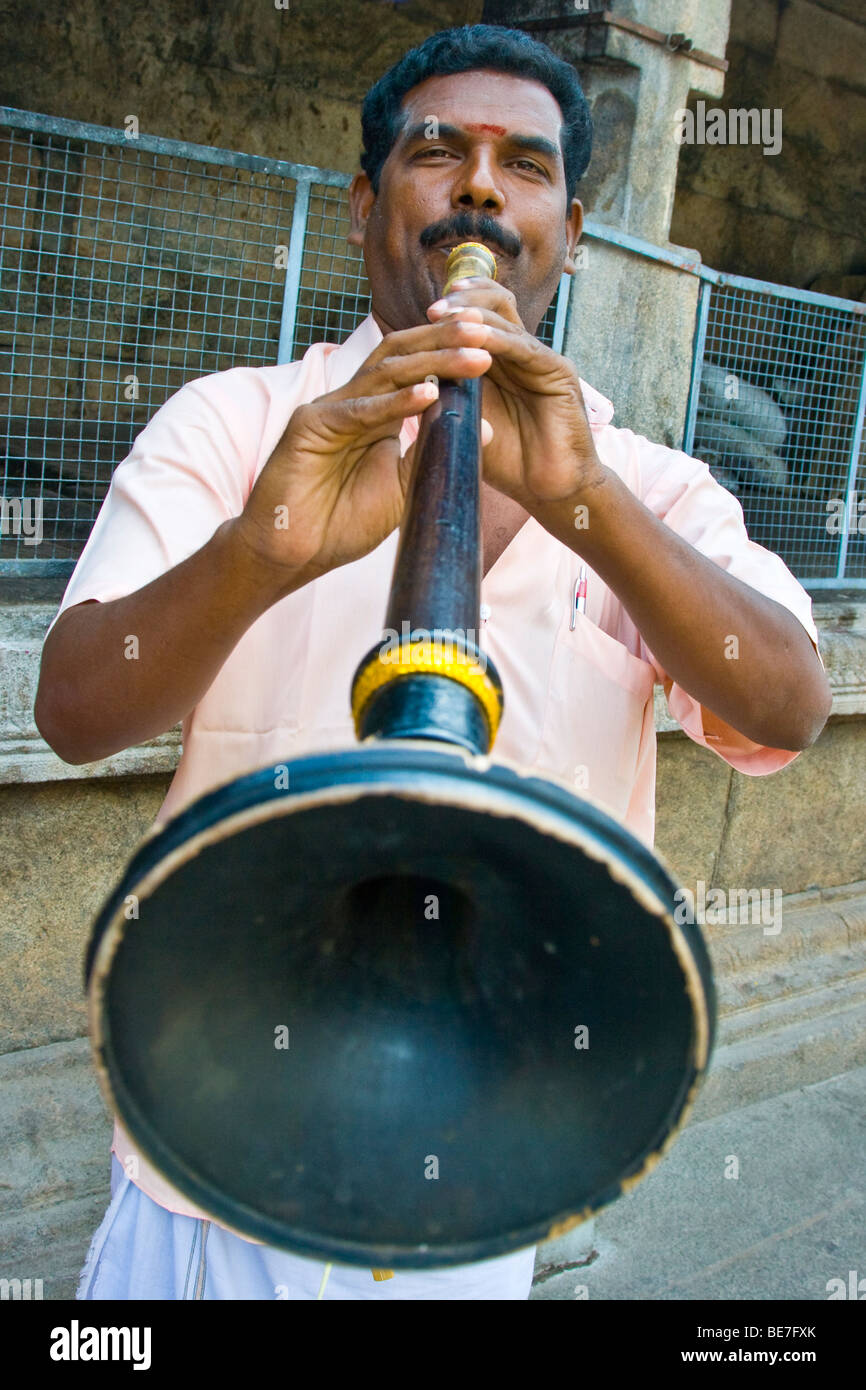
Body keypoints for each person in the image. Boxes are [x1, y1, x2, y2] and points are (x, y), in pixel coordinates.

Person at [35, 23, 831, 1301]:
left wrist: (588, 508)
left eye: (521, 165)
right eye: (436, 153)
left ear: (564, 227)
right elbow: (74, 707)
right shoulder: (235, 422)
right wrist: (263, 550)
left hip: (470, 1166)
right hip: (201, 1147)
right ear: (364, 209)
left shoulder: (650, 487)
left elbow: (787, 703)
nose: (476, 187)